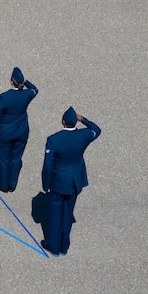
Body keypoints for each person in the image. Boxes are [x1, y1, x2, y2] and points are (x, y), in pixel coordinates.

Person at [41, 107, 102, 255]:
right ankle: (64, 245)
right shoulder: (84, 135)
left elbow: (48, 165)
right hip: (74, 180)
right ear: (75, 122)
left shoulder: (54, 140)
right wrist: (83, 119)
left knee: (55, 214)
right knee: (67, 213)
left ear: (63, 122)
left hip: (57, 181)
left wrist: (46, 184)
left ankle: (53, 245)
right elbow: (97, 129)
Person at [0, 67, 39, 193]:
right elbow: (35, 89)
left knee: (3, 159)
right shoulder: (26, 95)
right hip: (21, 131)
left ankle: (4, 185)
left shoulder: (4, 97)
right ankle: (12, 184)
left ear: (11, 81)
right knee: (16, 158)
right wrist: (25, 81)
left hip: (5, 132)